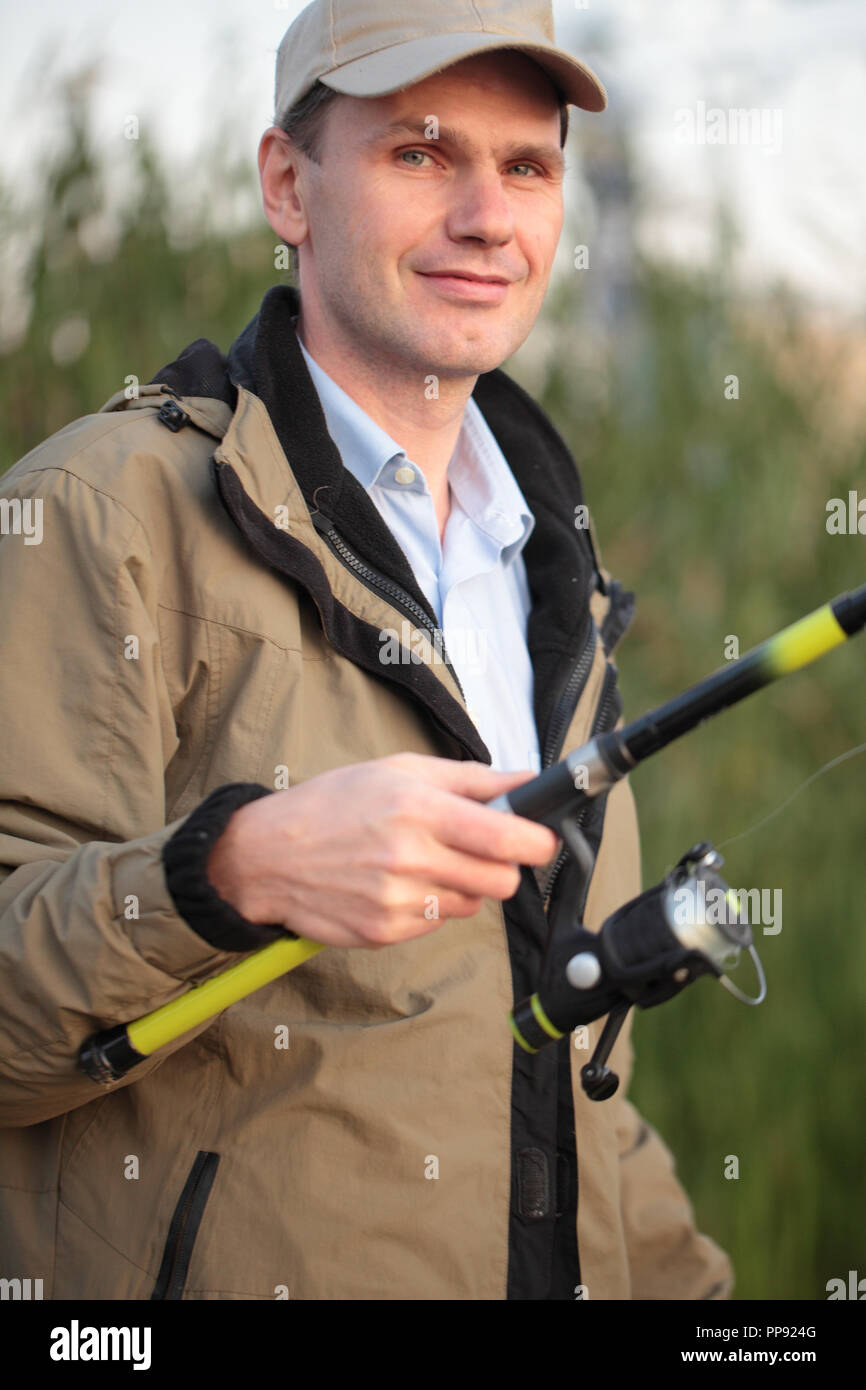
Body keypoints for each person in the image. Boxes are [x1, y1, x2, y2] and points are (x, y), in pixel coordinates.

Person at [0, 0, 733, 1300]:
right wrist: (227, 870)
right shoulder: (97, 510)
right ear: (287, 182)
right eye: (418, 153)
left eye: (525, 166)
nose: (485, 217)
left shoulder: (552, 567)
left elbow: (577, 1093)